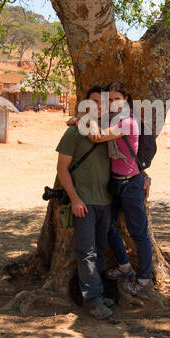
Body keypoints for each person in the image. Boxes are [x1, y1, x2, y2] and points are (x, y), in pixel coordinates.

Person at [55, 85, 117, 318]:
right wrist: (75, 199)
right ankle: (92, 300)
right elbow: (62, 169)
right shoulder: (74, 133)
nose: (99, 107)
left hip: (106, 202)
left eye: (103, 103)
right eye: (94, 103)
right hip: (84, 202)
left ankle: (98, 293)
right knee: (87, 252)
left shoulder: (111, 132)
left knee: (101, 249)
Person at [103, 82, 154, 294]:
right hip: (115, 183)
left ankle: (144, 279)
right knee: (106, 226)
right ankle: (124, 266)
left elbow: (98, 136)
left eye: (117, 98)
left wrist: (79, 121)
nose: (112, 102)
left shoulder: (128, 122)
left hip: (131, 184)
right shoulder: (111, 121)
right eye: (109, 99)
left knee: (139, 233)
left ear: (126, 99)